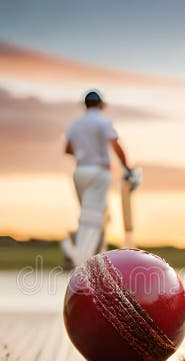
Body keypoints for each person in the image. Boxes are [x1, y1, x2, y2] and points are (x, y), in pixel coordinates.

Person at [62, 89, 130, 267]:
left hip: (80, 171)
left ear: (85, 105)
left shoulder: (75, 125)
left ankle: (95, 258)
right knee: (93, 217)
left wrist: (85, 148)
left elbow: (68, 149)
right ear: (101, 104)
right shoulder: (103, 122)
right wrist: (127, 167)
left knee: (93, 215)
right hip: (98, 172)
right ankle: (79, 254)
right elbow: (115, 146)